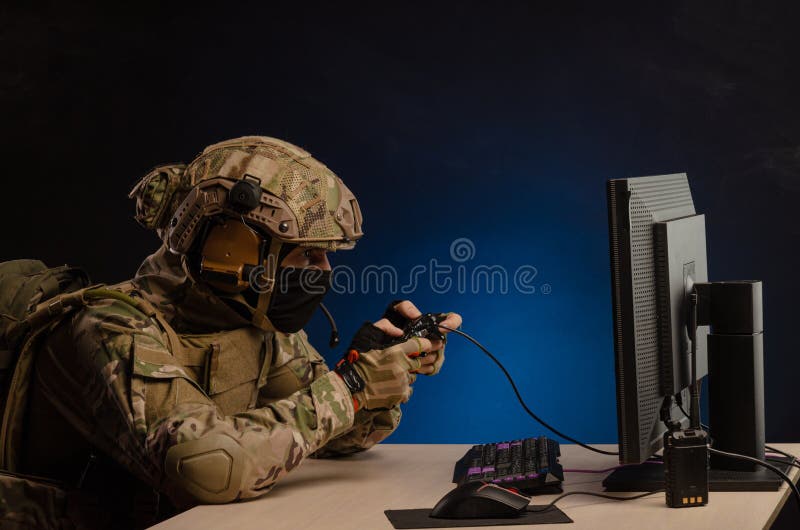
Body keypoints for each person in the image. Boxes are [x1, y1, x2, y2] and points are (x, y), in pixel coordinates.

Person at [0, 136, 462, 528]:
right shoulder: (111, 328)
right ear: (232, 250)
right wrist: (354, 389)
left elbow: (330, 437)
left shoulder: (252, 321)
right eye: (308, 255)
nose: (325, 271)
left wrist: (378, 367)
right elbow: (209, 469)